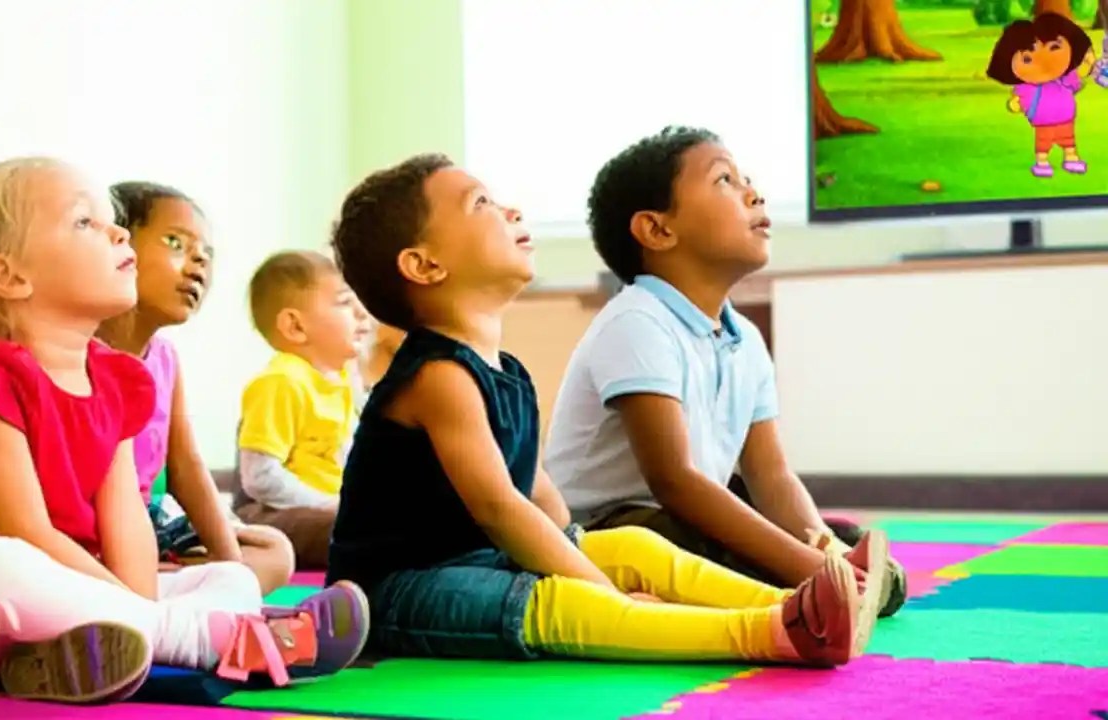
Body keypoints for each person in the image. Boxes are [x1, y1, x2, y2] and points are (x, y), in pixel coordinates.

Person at [326, 153, 880, 668]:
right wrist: (600, 584)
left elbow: (534, 490)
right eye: (481, 204)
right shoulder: (437, 376)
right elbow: (500, 509)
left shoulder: (504, 370)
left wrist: (583, 547)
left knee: (634, 546)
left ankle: (802, 597)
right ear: (424, 265)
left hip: (475, 558)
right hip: (396, 589)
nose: (510, 210)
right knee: (564, 601)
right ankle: (773, 630)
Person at [0, 157, 368, 704]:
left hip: (83, 606)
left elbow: (128, 530)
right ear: (11, 276)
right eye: (85, 223)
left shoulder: (117, 381)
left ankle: (67, 660)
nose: (116, 231)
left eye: (111, 221)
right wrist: (144, 609)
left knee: (231, 579)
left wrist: (136, 601)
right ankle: (211, 640)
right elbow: (25, 531)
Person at [543, 126, 904, 626]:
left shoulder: (744, 339)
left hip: (685, 513)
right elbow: (674, 481)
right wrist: (811, 567)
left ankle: (825, 568)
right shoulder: (637, 322)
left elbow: (770, 474)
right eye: (724, 181)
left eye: (747, 179)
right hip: (611, 529)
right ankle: (806, 581)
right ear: (657, 230)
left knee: (814, 528)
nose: (753, 193)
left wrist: (822, 544)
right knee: (696, 542)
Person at [96, 181, 294, 592]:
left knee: (274, 550)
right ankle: (161, 593)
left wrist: (233, 568)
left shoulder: (165, 359)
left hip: (151, 527)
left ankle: (175, 590)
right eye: (175, 242)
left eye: (206, 254)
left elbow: (186, 467)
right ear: (115, 247)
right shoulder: (81, 351)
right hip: (93, 532)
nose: (198, 263)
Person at [232, 251, 366, 569]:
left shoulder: (344, 380)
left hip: (326, 506)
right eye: (345, 302)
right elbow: (260, 478)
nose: (362, 313)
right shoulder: (281, 381)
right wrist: (333, 504)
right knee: (356, 528)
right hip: (271, 511)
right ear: (295, 326)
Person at [987, 13, 1094, 177]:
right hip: (1043, 122)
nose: (1045, 62)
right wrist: (1016, 103)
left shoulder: (1065, 77)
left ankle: (1071, 158)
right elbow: (1019, 99)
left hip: (1066, 118)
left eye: (1054, 48)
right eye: (1027, 59)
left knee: (1068, 140)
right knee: (1043, 143)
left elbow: (1077, 83)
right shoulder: (1027, 87)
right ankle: (1042, 162)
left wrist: (1088, 62)